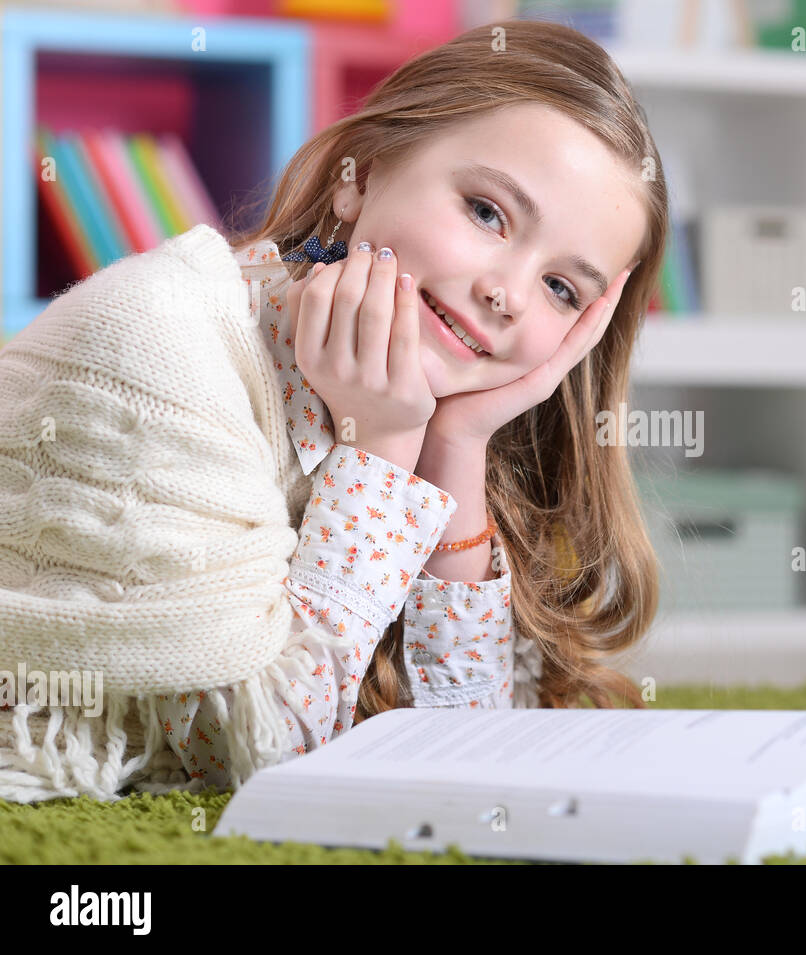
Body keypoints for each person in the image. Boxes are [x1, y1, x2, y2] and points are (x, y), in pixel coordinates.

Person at [0, 18, 667, 803]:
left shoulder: (437, 413)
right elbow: (248, 758)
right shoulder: (160, 339)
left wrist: (457, 445)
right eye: (487, 213)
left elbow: (471, 739)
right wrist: (379, 449)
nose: (508, 294)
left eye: (563, 288)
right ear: (362, 174)